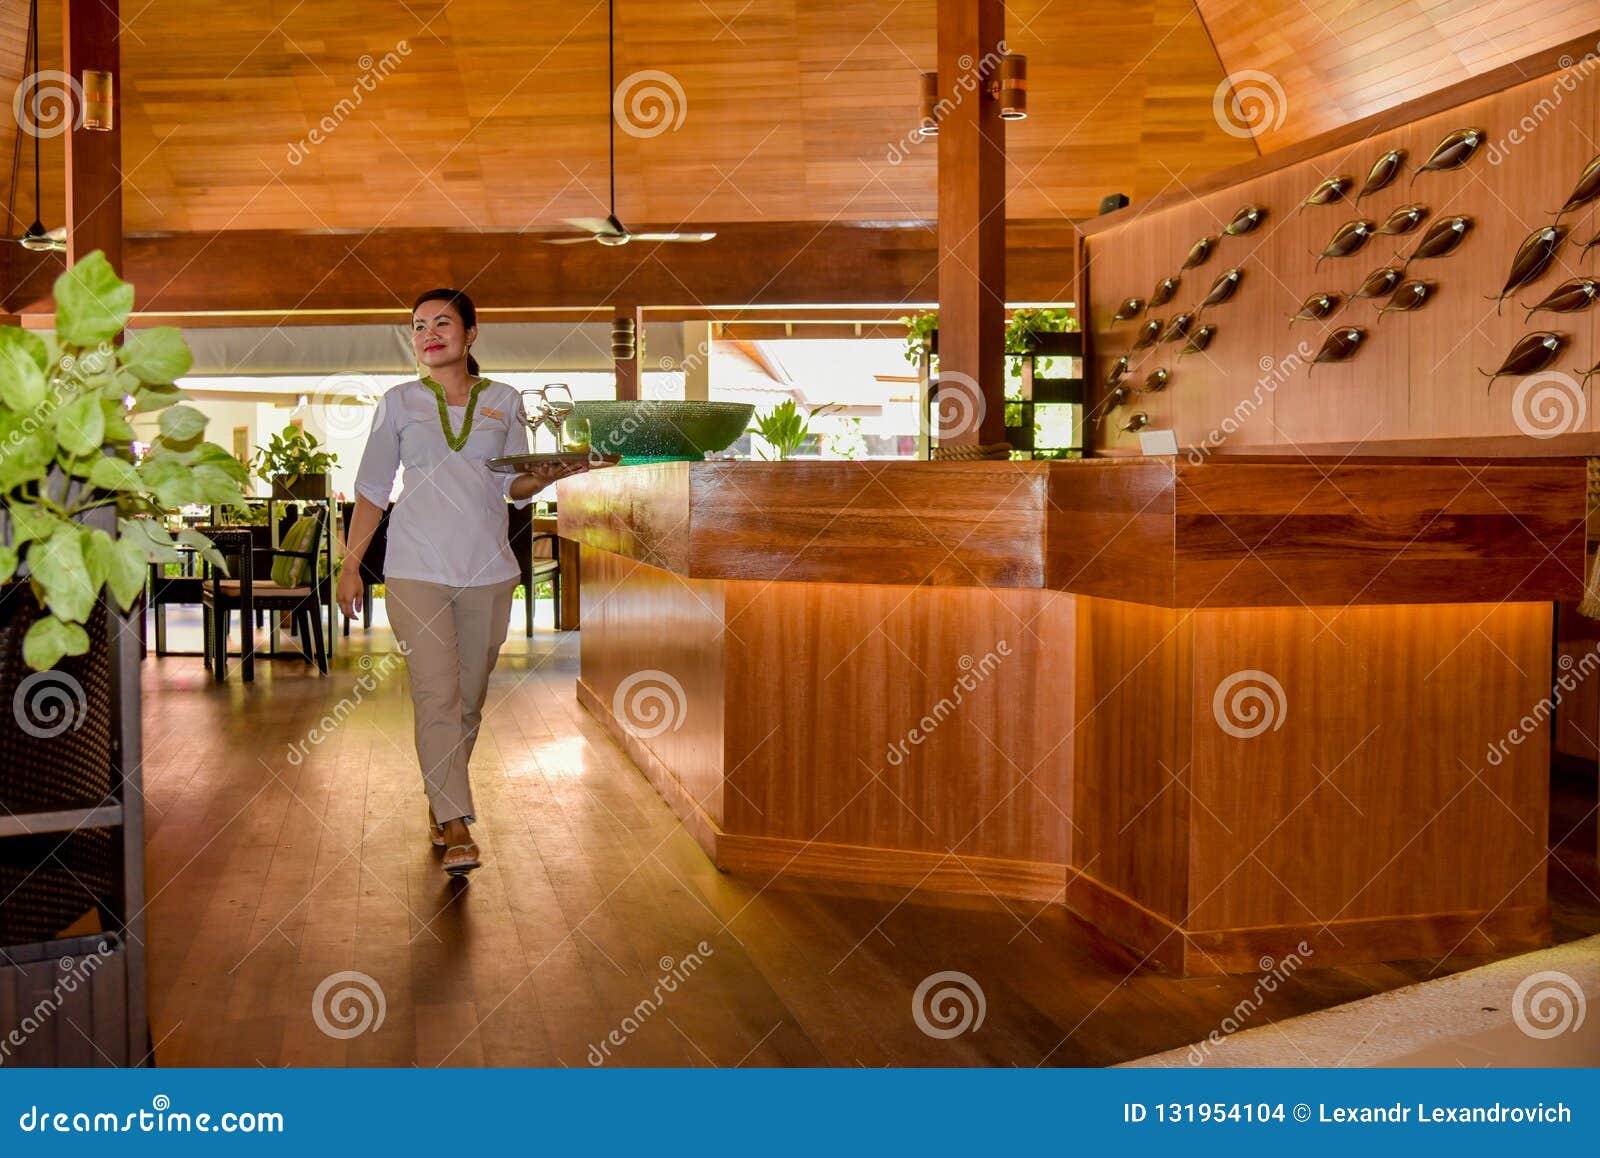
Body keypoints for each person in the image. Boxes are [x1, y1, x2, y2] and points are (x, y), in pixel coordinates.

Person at [339, 288, 588, 876]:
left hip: (489, 572)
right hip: (414, 570)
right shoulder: (398, 402)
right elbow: (373, 488)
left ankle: (440, 796)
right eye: (419, 325)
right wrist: (351, 564)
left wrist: (553, 474)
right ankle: (455, 822)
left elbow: (514, 484)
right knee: (437, 695)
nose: (428, 333)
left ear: (470, 334)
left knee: (468, 699)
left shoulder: (506, 400)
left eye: (442, 323)